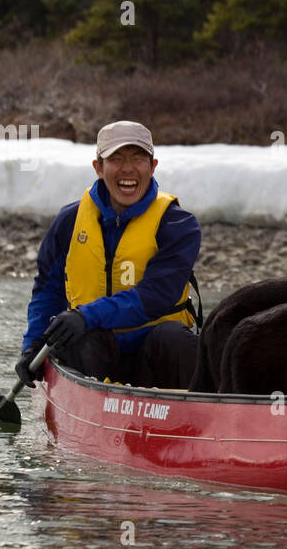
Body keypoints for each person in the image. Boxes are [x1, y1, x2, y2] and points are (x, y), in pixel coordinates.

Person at [16, 120, 202, 389]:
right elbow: (48, 289)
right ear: (99, 168)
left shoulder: (177, 224)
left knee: (174, 338)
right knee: (78, 339)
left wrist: (86, 315)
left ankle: (192, 411)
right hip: (94, 351)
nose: (128, 168)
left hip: (154, 350)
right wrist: (33, 345)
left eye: (138, 158)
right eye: (116, 159)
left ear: (152, 167)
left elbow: (157, 295)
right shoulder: (69, 221)